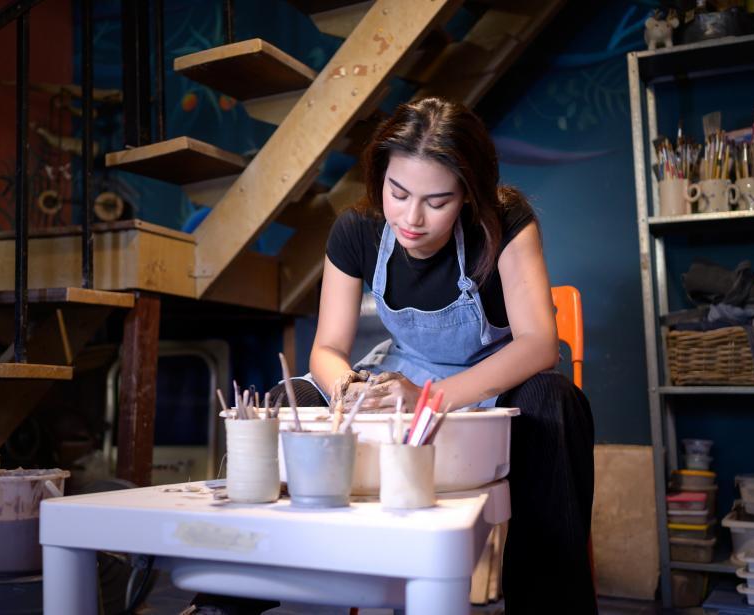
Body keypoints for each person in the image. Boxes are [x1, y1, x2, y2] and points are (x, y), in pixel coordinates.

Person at [195, 97, 596, 614]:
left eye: (437, 201)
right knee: (284, 401)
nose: (411, 219)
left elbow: (540, 344)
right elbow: (329, 349)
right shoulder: (356, 230)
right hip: (401, 378)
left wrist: (431, 397)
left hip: (488, 388)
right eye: (397, 192)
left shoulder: (505, 220)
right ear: (380, 177)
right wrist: (350, 388)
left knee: (553, 401)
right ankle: (227, 600)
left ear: (469, 196)